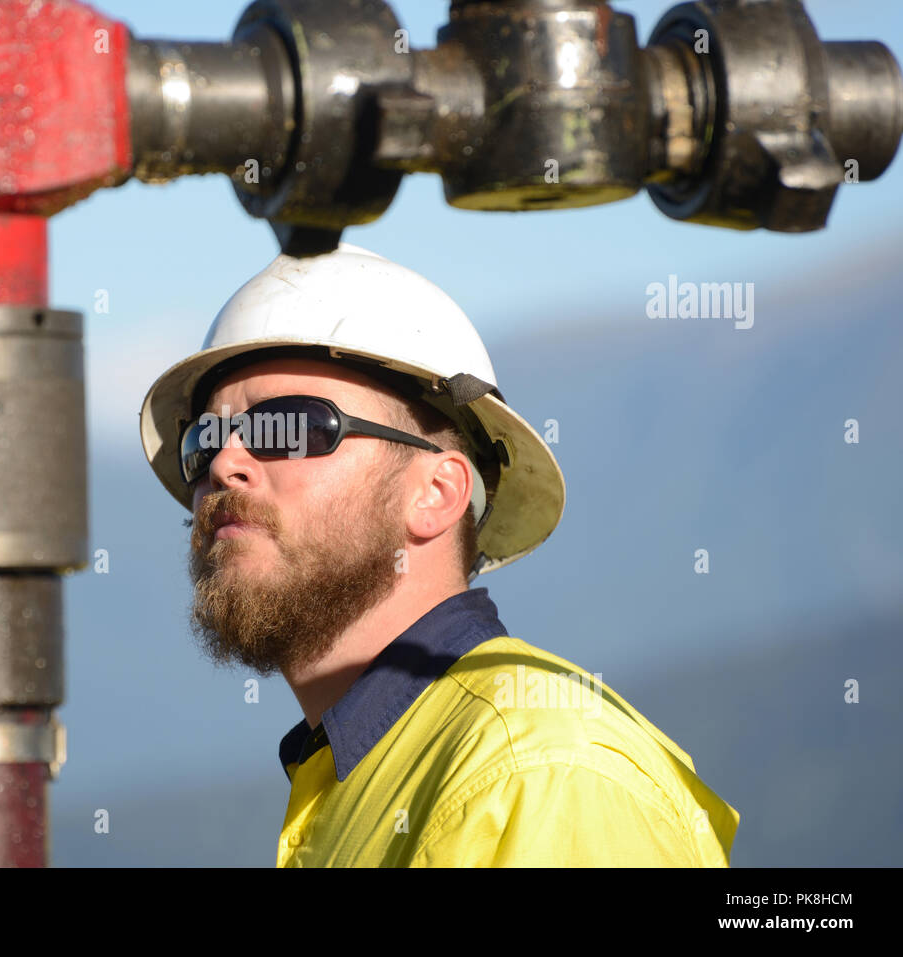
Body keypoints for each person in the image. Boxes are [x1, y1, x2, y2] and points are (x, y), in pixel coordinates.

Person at [139, 243, 740, 867]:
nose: (226, 462)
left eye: (289, 426)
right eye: (203, 439)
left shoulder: (540, 775)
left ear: (435, 492)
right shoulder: (363, 769)